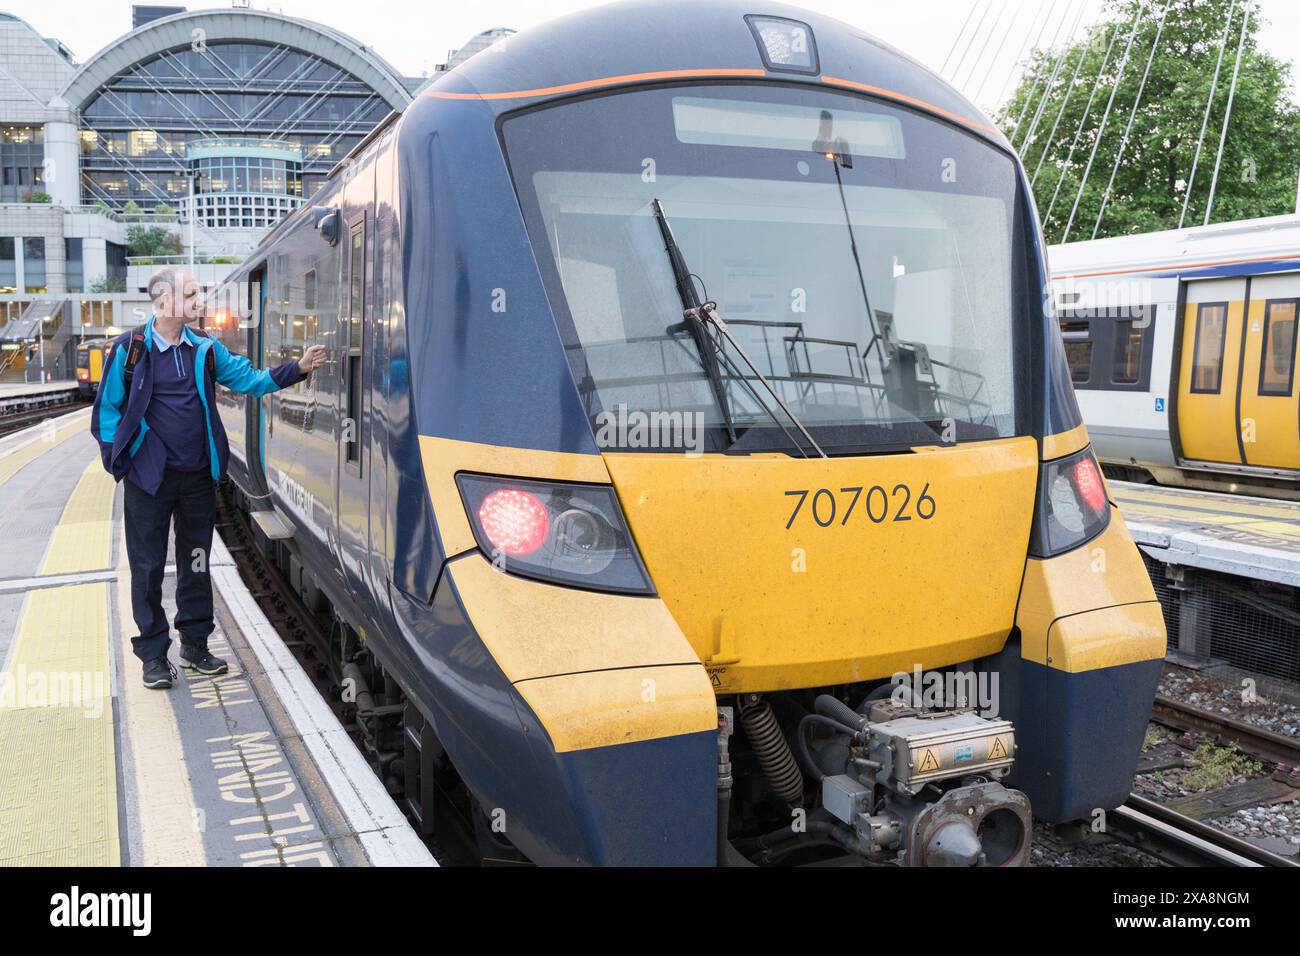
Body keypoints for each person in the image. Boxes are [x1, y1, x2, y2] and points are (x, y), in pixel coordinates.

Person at [91, 266, 326, 689]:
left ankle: (195, 645)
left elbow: (250, 380)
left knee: (195, 563)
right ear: (165, 301)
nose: (200, 301)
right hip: (148, 481)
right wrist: (120, 463)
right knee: (147, 568)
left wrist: (298, 369)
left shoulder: (204, 349)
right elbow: (107, 414)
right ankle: (153, 656)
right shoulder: (130, 350)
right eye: (192, 293)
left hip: (197, 476)